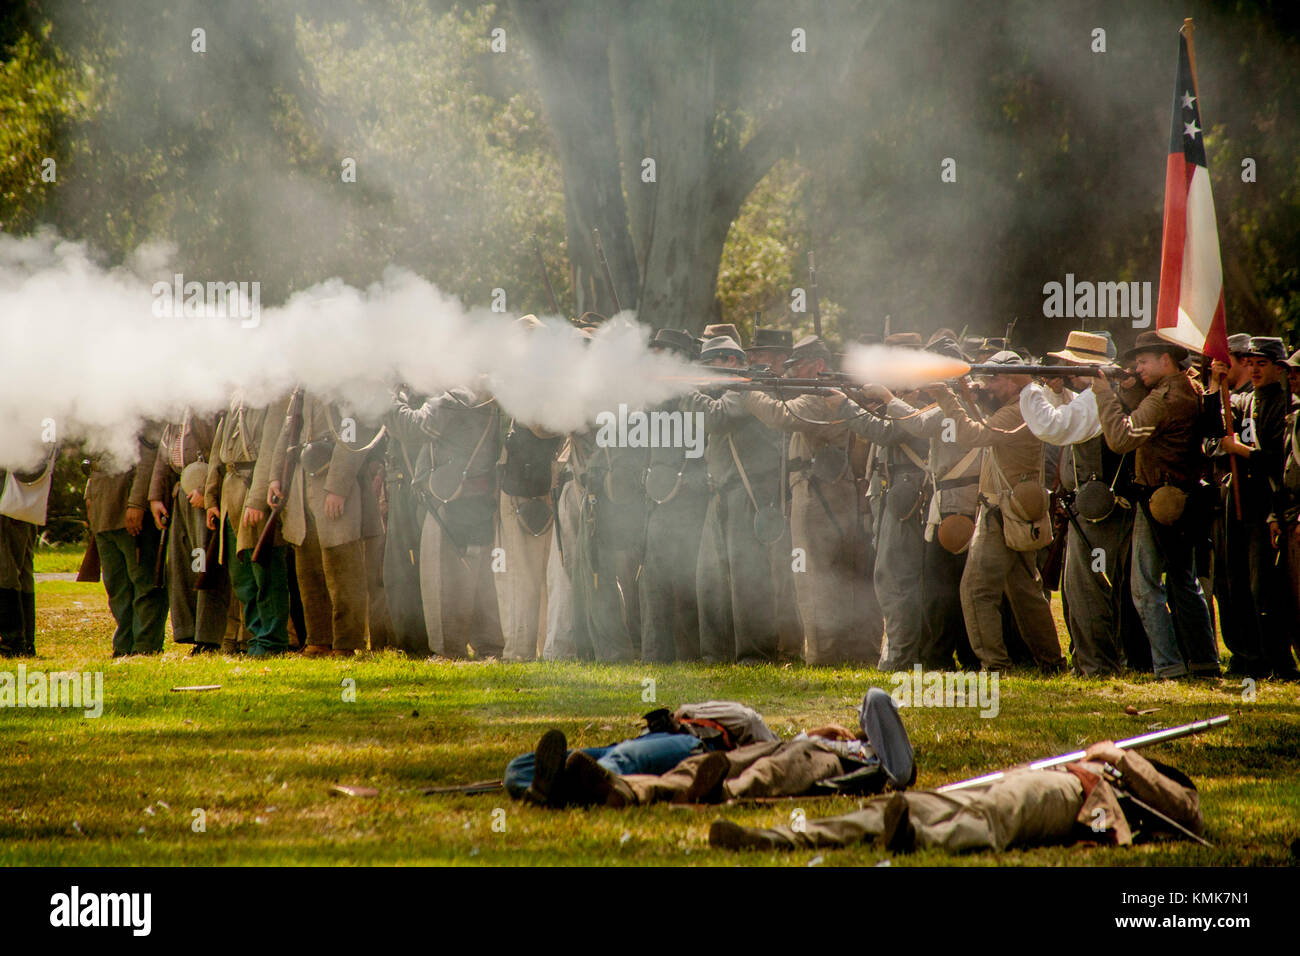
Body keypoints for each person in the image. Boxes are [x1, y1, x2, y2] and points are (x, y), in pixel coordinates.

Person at [709, 739, 1202, 854]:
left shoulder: (1149, 787)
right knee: (900, 804)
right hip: (1038, 776)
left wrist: (1120, 759)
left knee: (991, 817)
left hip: (1069, 794)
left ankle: (917, 838)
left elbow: (1185, 813)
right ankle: (777, 839)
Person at [518, 689, 914, 809]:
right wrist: (811, 733)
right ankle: (581, 785)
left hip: (819, 763)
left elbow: (878, 702)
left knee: (758, 779)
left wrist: (842, 742)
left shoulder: (874, 759)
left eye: (864, 725)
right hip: (784, 748)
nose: (858, 725)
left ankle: (629, 790)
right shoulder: (820, 740)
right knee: (713, 765)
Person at [844, 335, 982, 669]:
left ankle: (914, 657)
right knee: (922, 584)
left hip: (925, 503)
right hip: (915, 501)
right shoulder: (924, 401)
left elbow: (893, 431)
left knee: (904, 581)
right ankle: (924, 656)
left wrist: (847, 404)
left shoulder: (939, 405)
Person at [741, 336, 882, 665]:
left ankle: (822, 655)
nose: (790, 373)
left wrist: (747, 389)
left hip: (817, 494)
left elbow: (779, 415)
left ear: (818, 366)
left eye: (797, 366)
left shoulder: (822, 397)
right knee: (844, 578)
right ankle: (859, 652)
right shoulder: (831, 393)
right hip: (835, 493)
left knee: (812, 578)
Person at [925, 352, 1064, 672]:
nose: (988, 384)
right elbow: (986, 428)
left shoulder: (1016, 412)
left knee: (975, 590)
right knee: (1027, 593)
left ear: (1014, 381)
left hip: (1001, 510)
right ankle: (1051, 663)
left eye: (994, 379)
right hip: (1014, 507)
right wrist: (967, 396)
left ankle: (995, 665)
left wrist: (947, 397)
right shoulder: (1021, 407)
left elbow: (973, 434)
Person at [1094, 331, 1219, 679]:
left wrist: (1104, 392)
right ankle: (1204, 661)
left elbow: (1121, 438)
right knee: (1183, 582)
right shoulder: (1185, 387)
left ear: (1166, 360)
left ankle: (1168, 665)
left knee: (1145, 587)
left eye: (1144, 361)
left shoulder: (1165, 398)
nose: (1138, 366)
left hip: (1159, 499)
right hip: (1178, 498)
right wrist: (1134, 386)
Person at [1020, 331, 1132, 675]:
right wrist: (1052, 390)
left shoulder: (1097, 397)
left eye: (1070, 365)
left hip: (1100, 514)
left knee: (1090, 591)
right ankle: (1091, 660)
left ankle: (1098, 665)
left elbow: (1054, 427)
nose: (1065, 370)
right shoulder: (1093, 395)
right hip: (1089, 511)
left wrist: (1030, 388)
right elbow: (1069, 417)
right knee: (1080, 590)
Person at [1204, 336, 1300, 680]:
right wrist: (1216, 385)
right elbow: (1217, 425)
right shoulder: (1248, 399)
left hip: (1268, 501)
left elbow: (1276, 461)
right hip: (1240, 497)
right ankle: (1248, 656)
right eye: (1252, 363)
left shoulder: (1286, 404)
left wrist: (1241, 450)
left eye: (1263, 363)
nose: (1256, 369)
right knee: (1234, 582)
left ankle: (1278, 661)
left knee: (1266, 587)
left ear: (1278, 368)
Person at [387, 382, 503, 659]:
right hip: (476, 497)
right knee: (478, 581)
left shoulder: (456, 397)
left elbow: (412, 427)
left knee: (442, 582)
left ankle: (448, 651)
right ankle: (489, 648)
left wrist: (386, 400)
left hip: (448, 501)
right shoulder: (485, 393)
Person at [843, 332, 933, 670]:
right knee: (890, 575)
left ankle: (901, 655)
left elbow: (886, 432)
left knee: (895, 578)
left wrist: (843, 405)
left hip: (906, 496)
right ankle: (903, 650)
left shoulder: (922, 400)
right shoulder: (901, 399)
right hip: (890, 494)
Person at [269, 394, 378, 657]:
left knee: (343, 570)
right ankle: (318, 639)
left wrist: (338, 487)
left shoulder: (343, 381)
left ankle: (345, 642)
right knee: (309, 569)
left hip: (331, 481)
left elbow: (353, 432)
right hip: (301, 483)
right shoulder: (302, 387)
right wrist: (275, 478)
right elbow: (288, 433)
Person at [204, 391, 293, 657]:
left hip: (254, 487)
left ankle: (272, 640)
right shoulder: (235, 397)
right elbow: (217, 454)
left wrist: (256, 500)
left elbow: (269, 453)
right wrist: (211, 498)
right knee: (241, 576)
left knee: (265, 572)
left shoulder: (273, 395)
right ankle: (255, 637)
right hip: (231, 489)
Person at [149, 408, 230, 652]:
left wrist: (207, 489)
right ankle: (190, 631)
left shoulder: (210, 404)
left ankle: (209, 637)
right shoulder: (176, 409)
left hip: (201, 495)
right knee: (181, 565)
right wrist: (155, 498)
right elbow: (164, 457)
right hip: (180, 494)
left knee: (203, 563)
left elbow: (218, 455)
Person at [85, 425, 168, 656]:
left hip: (128, 506)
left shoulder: (142, 408)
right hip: (104, 509)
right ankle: (124, 645)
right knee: (117, 587)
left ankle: (145, 646)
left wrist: (137, 503)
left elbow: (148, 458)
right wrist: (89, 495)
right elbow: (94, 460)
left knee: (144, 582)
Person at [0, 443, 57, 657]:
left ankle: (12, 640)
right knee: (21, 571)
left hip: (6, 497)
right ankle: (24, 640)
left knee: (5, 571)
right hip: (19, 497)